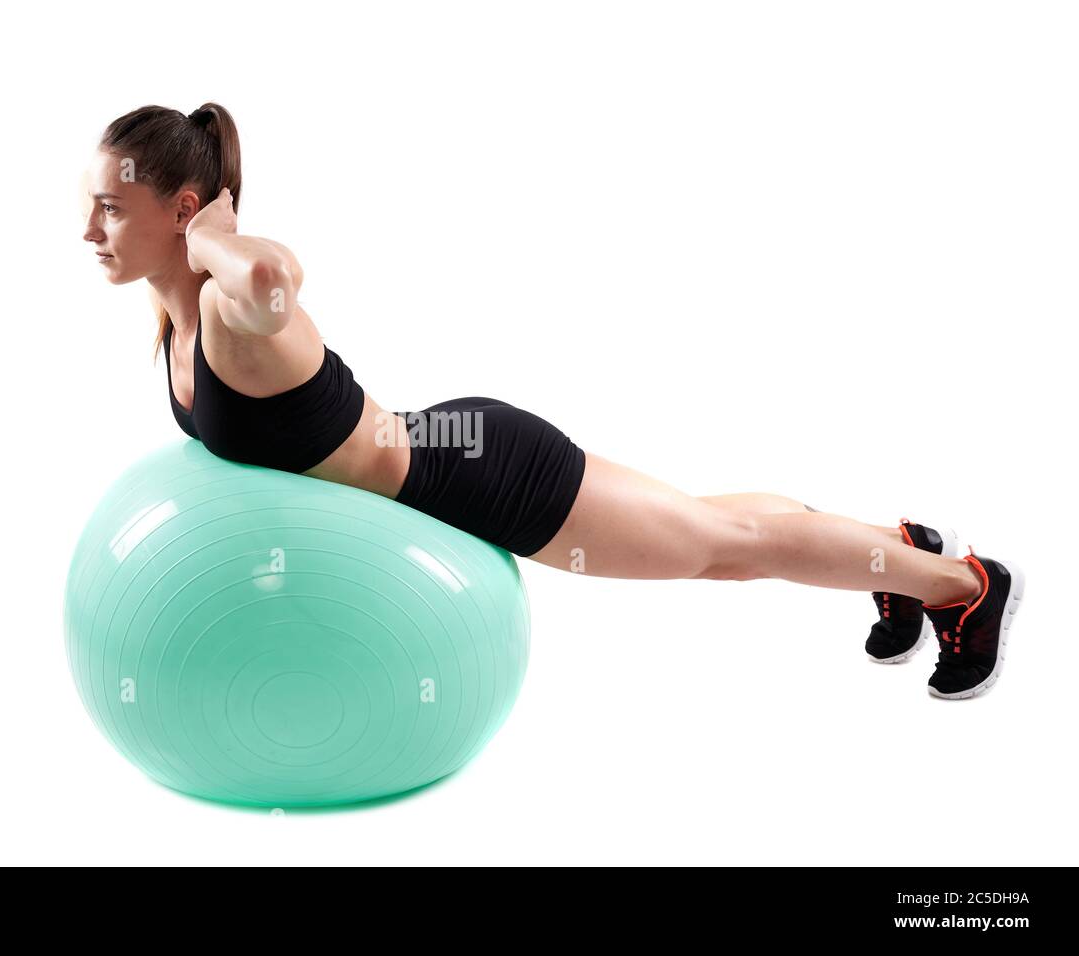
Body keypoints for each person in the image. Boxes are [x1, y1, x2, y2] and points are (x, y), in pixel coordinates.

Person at [79, 102, 1024, 700]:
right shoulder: (173, 328)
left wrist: (214, 240)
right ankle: (896, 554)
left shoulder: (232, 310)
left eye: (111, 208)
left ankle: (964, 586)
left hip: (480, 474)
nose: (87, 229)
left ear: (185, 209)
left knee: (726, 554)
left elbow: (278, 275)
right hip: (442, 448)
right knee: (711, 526)